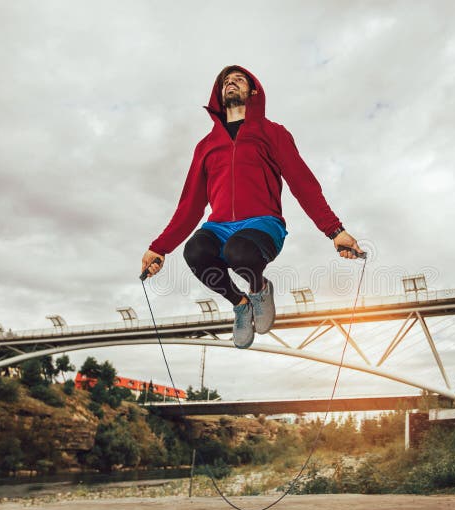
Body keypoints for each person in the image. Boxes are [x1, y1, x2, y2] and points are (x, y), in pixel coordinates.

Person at [142, 65, 364, 349]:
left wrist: (335, 231)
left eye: (239, 80)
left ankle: (259, 289)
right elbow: (190, 205)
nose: (231, 83)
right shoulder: (205, 146)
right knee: (195, 251)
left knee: (239, 251)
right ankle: (241, 303)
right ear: (219, 94)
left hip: (262, 224)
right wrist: (159, 247)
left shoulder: (273, 133)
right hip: (219, 226)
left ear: (253, 91)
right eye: (226, 82)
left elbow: (303, 183)